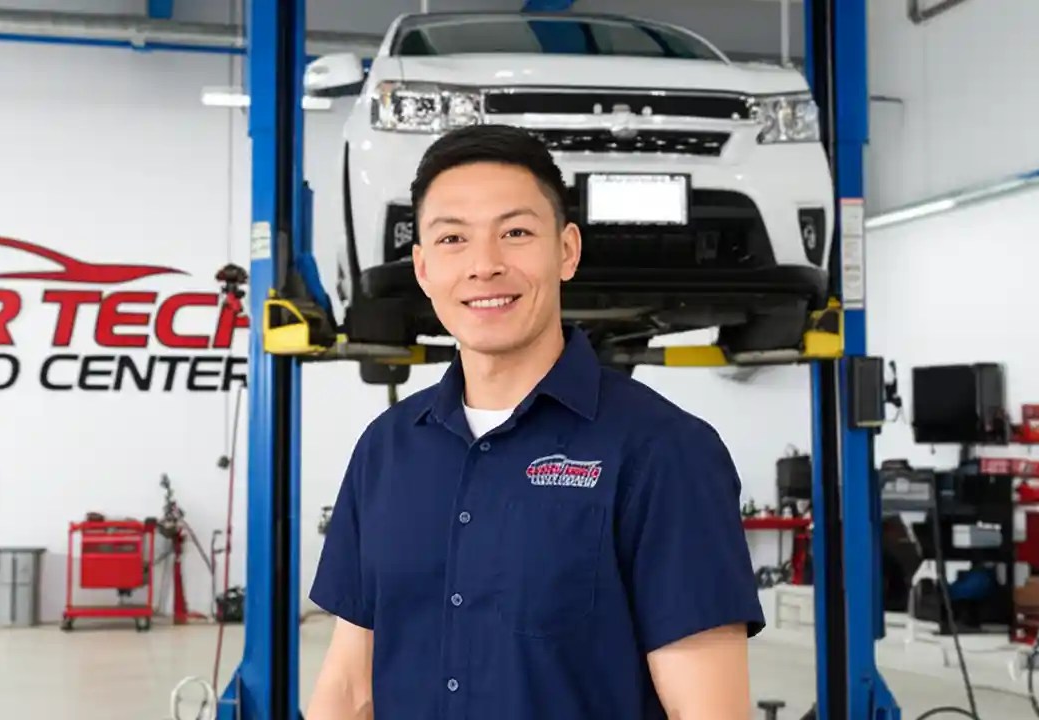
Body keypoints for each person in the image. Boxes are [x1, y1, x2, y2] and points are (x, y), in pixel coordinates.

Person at [307, 124, 764, 719]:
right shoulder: (387, 451)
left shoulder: (664, 452)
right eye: (452, 239)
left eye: (516, 232)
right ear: (422, 268)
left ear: (566, 251)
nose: (484, 265)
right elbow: (349, 685)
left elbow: (709, 712)